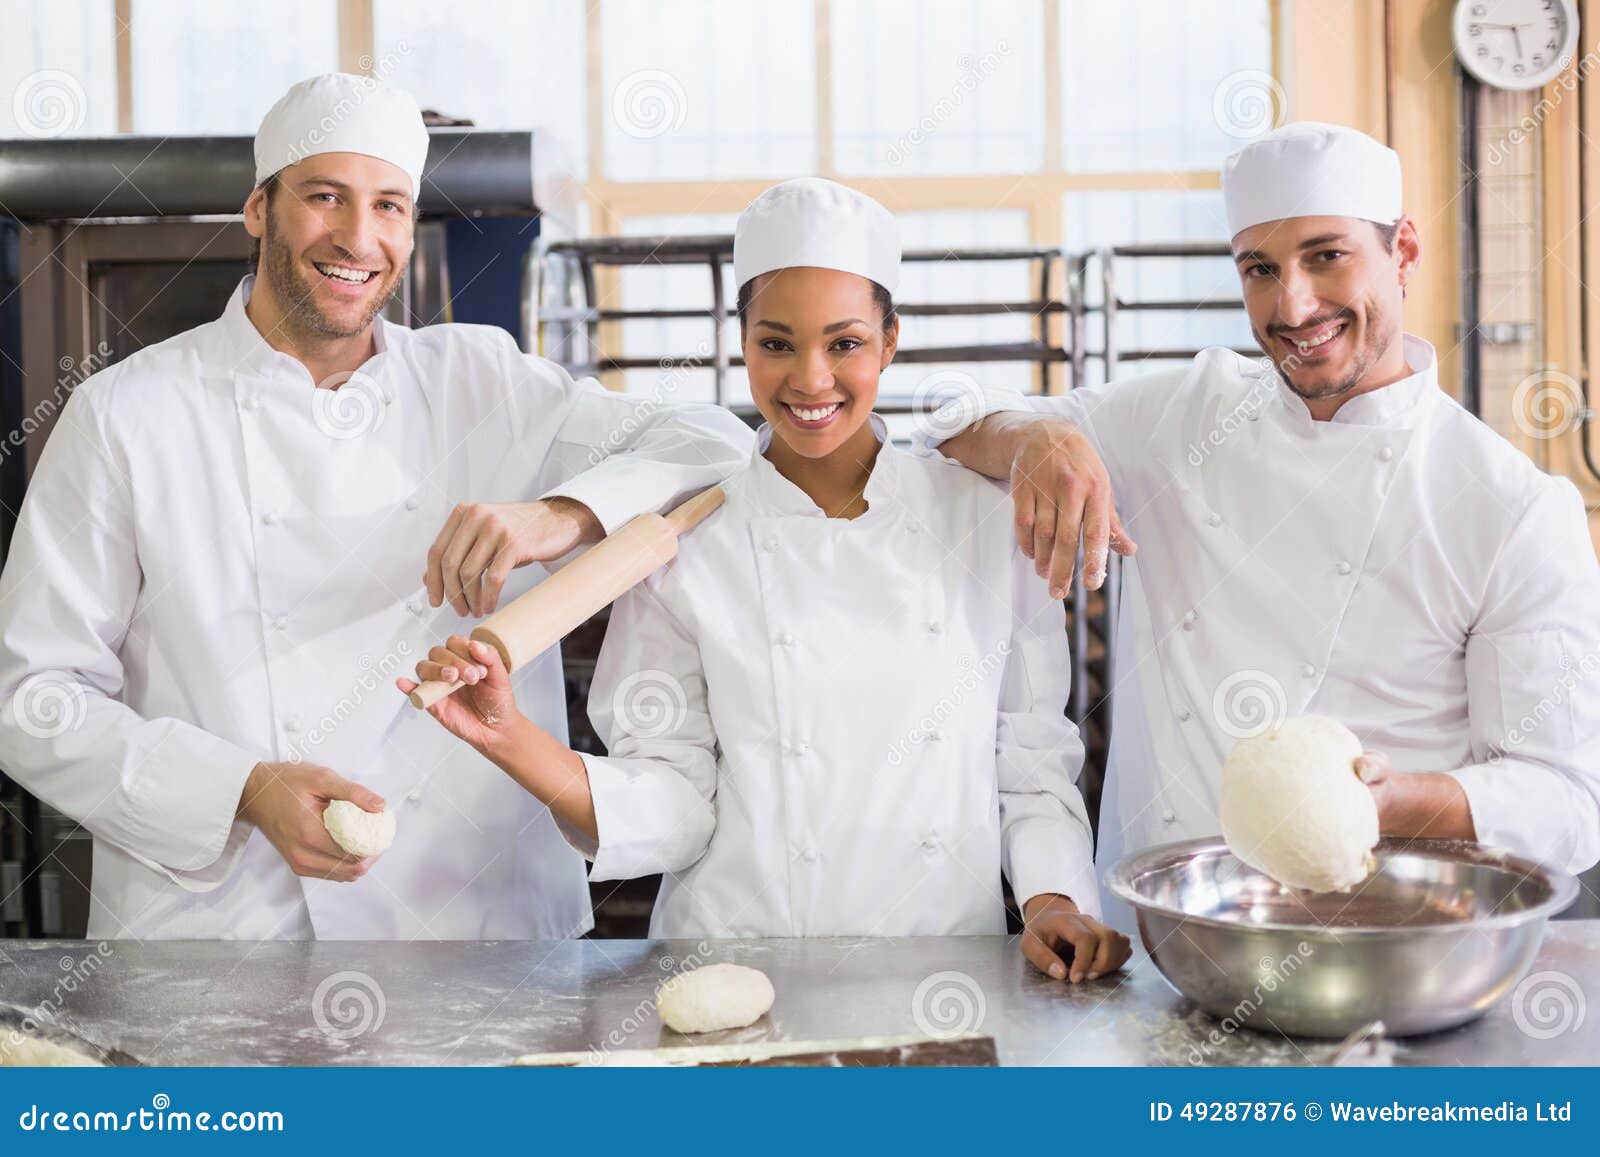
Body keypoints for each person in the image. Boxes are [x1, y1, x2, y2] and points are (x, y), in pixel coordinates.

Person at [0, 74, 751, 940]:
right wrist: (242, 788)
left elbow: (717, 446)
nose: (360, 237)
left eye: (389, 206)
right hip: (235, 930)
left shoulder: (484, 378)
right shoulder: (127, 414)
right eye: (325, 198)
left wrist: (561, 514)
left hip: (479, 925)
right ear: (258, 210)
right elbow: (35, 695)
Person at [403, 178, 1129, 982]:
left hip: (937, 973)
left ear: (890, 341)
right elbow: (676, 801)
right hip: (732, 974)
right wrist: (514, 740)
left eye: (845, 343)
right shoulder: (684, 540)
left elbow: (1028, 760)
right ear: (741, 341)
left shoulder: (984, 522)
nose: (811, 380)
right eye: (776, 344)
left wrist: (1055, 903)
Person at [923, 122, 1600, 928]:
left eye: (1327, 256)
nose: (1293, 304)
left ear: (1405, 251)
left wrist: (1379, 803)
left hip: (1382, 946)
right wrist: (1034, 435)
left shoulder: (1508, 505)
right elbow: (946, 417)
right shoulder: (1178, 417)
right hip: (1153, 941)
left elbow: (1567, 799)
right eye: (1260, 269)